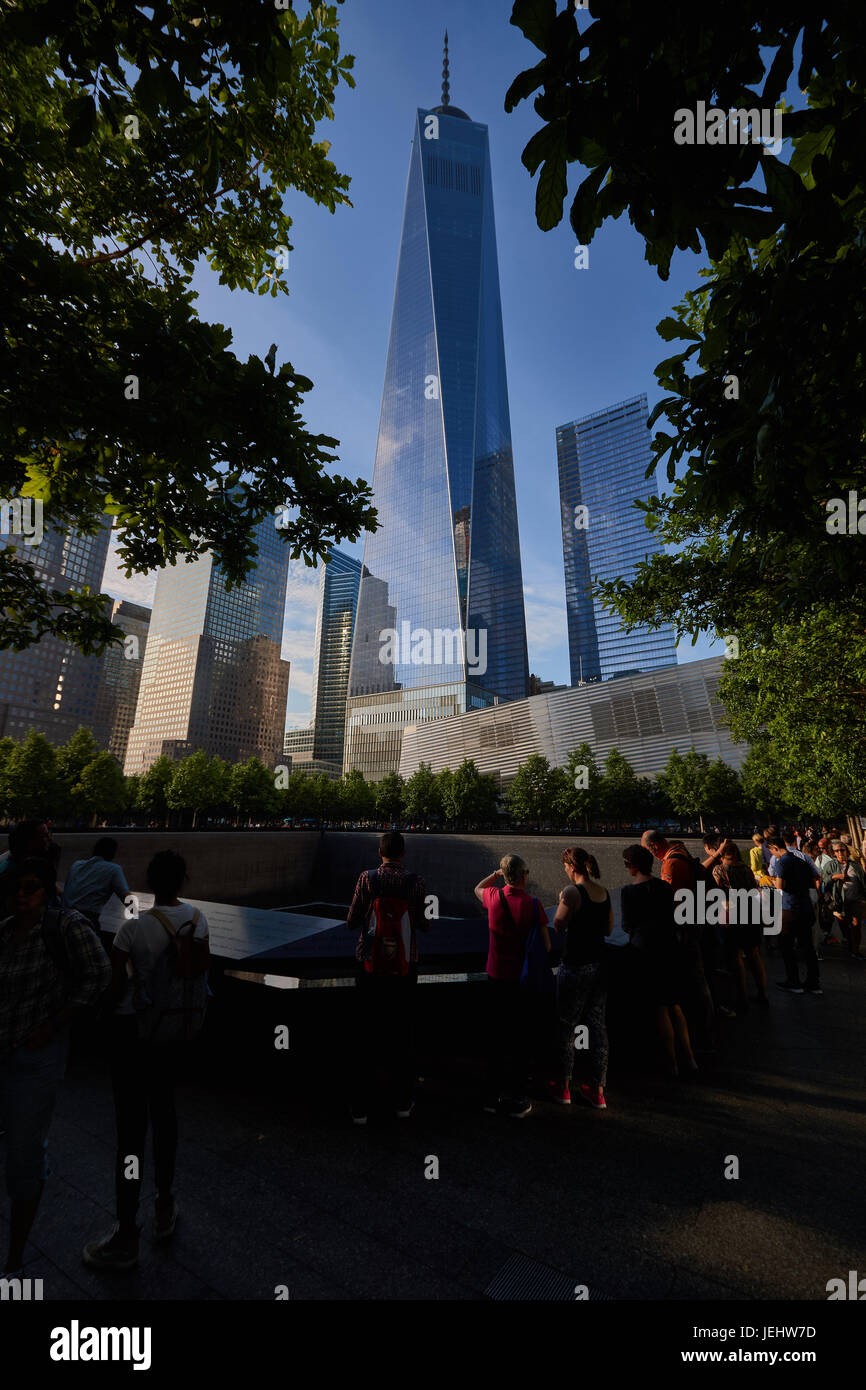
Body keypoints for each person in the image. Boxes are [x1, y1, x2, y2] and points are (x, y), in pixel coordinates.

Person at [83, 850, 209, 1271]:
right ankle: (165, 1206)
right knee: (166, 1117)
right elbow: (197, 975)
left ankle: (126, 1232)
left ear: (151, 883)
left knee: (131, 1133)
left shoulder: (131, 931)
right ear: (184, 880)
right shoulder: (198, 920)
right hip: (173, 1035)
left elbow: (115, 987)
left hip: (133, 1036)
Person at [0, 856, 110, 1278]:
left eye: (30, 887)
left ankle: (14, 1259)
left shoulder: (65, 927)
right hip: (4, 1054)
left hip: (33, 1061)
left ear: (48, 891)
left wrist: (53, 1027)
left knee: (25, 1155)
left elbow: (99, 976)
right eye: (15, 888)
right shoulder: (5, 932)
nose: (21, 894)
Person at [346, 831, 429, 1125]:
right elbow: (422, 923)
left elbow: (353, 919)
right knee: (402, 1032)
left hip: (369, 963)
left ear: (379, 852)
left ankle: (360, 1107)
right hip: (405, 966)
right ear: (403, 853)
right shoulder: (416, 882)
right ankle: (402, 1102)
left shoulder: (367, 878)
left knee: (366, 1033)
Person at [474, 854, 550, 1119]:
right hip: (521, 980)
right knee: (520, 1039)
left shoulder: (493, 897)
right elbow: (546, 946)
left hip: (495, 977)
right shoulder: (533, 904)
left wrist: (495, 874)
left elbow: (477, 888)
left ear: (506, 876)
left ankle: (491, 1097)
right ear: (524, 875)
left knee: (496, 1037)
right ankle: (517, 1097)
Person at [621, 844, 697, 1077]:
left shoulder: (628, 892)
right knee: (675, 1005)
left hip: (646, 952)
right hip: (668, 948)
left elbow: (627, 925)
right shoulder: (664, 887)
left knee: (659, 1008)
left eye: (626, 863)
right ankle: (690, 1059)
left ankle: (671, 1063)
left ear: (633, 866)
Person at [641, 829, 714, 1050]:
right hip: (696, 919)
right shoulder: (680, 850)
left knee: (695, 979)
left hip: (685, 927)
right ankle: (704, 1027)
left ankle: (704, 1033)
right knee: (696, 977)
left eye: (647, 851)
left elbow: (669, 900)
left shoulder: (670, 864)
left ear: (654, 846)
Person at [551, 847, 612, 1109]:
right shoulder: (603, 892)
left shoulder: (572, 891)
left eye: (564, 866)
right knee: (597, 1027)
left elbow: (558, 924)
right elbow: (608, 928)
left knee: (566, 1025)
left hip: (575, 964)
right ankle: (597, 1090)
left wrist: (563, 900)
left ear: (570, 866)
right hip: (599, 965)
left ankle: (564, 1087)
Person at [712, 842, 768, 1012]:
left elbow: (717, 893)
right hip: (751, 913)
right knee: (754, 954)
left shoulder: (719, 870)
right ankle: (762, 993)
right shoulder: (746, 869)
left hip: (734, 915)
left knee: (736, 958)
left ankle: (742, 997)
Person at [767, 835, 821, 995]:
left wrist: (772, 883)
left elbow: (780, 887)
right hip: (806, 906)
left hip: (790, 908)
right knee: (807, 946)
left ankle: (794, 981)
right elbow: (814, 876)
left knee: (786, 946)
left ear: (775, 848)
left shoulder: (781, 862)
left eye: (771, 851)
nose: (772, 855)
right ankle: (814, 983)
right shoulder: (801, 859)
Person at [62, 837, 131, 931]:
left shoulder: (76, 865)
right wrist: (140, 917)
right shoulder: (113, 869)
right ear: (113, 854)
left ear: (93, 850)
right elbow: (126, 898)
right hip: (85, 921)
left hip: (62, 918)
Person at [823, 840, 866, 962]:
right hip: (838, 902)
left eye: (842, 850)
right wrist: (835, 877)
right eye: (837, 851)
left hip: (855, 900)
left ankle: (855, 950)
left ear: (846, 851)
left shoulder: (855, 866)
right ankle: (849, 943)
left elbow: (863, 881)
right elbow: (824, 880)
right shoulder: (830, 865)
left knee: (856, 925)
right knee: (844, 925)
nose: (840, 852)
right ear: (834, 853)